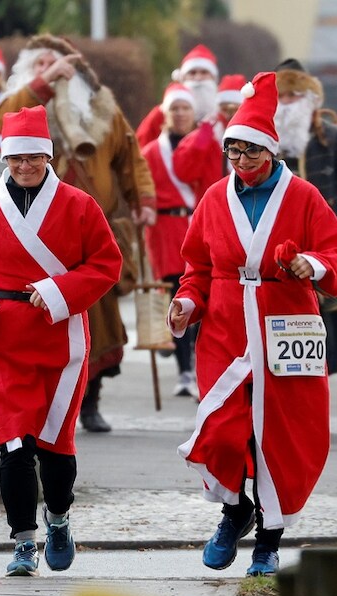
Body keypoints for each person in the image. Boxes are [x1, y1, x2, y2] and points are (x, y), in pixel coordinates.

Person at [169, 72, 337, 576]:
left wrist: (310, 266)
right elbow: (197, 268)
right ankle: (235, 512)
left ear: (272, 152)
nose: (243, 162)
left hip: (286, 327)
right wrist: (187, 302)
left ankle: (269, 541)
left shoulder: (305, 198)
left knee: (280, 435)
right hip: (227, 330)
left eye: (252, 153)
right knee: (227, 429)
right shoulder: (213, 199)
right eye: (234, 152)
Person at [0, 106, 123, 576]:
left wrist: (59, 290)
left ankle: (58, 518)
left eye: (34, 158)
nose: (25, 166)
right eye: (16, 158)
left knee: (56, 447)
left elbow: (106, 264)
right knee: (14, 445)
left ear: (48, 157)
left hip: (60, 339)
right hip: (1, 338)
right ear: (5, 159)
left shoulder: (79, 206)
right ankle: (23, 541)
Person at [0, 34, 157, 433]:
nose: (54, 72)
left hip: (88, 226)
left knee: (96, 318)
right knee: (34, 319)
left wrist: (144, 198)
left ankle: (91, 401)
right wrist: (45, 81)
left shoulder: (99, 108)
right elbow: (3, 117)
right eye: (42, 64)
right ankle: (42, 403)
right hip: (29, 230)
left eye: (60, 65)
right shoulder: (18, 103)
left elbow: (129, 153)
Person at [272, 58, 337, 375]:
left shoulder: (335, 139)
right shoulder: (258, 145)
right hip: (275, 257)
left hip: (325, 252)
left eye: (294, 96)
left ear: (310, 99)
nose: (287, 104)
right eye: (281, 97)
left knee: (331, 351)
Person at [141, 83, 200, 397]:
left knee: (201, 295)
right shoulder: (151, 152)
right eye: (174, 108)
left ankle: (196, 361)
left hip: (195, 222)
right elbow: (142, 190)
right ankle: (184, 370)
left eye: (185, 108)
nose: (179, 114)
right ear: (165, 113)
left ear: (193, 112)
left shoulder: (206, 146)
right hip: (164, 229)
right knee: (175, 296)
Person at [172, 73, 247, 203]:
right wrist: (201, 142)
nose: (230, 115)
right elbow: (183, 172)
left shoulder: (253, 137)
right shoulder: (207, 134)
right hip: (212, 207)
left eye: (235, 109)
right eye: (225, 109)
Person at [135, 44, 221, 147]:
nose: (198, 78)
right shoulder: (161, 114)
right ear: (182, 78)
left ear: (214, 78)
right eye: (192, 73)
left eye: (204, 72)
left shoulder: (223, 114)